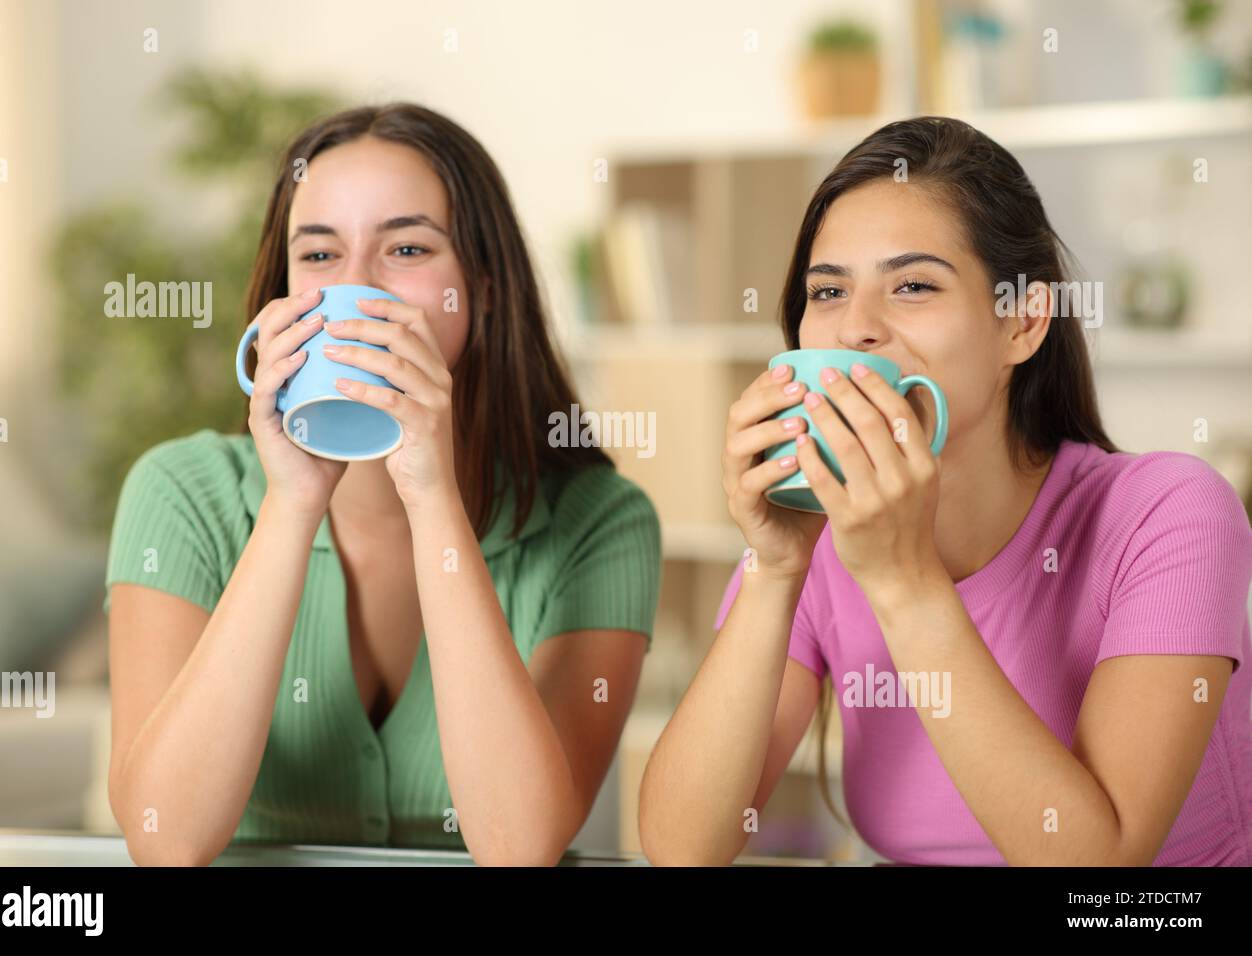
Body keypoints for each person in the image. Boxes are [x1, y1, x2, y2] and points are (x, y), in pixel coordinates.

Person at [638, 116, 1252, 866]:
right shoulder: (821, 544)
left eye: (913, 285)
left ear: (1023, 321)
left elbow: (1097, 868)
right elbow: (681, 849)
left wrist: (902, 582)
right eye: (827, 291)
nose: (855, 328)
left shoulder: (1168, 512)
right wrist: (773, 567)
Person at [104, 104, 661, 866]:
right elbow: (164, 837)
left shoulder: (600, 521)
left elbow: (519, 845)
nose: (358, 290)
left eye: (405, 247)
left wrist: (432, 495)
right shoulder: (178, 492)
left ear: (485, 290)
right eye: (321, 256)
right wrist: (292, 504)